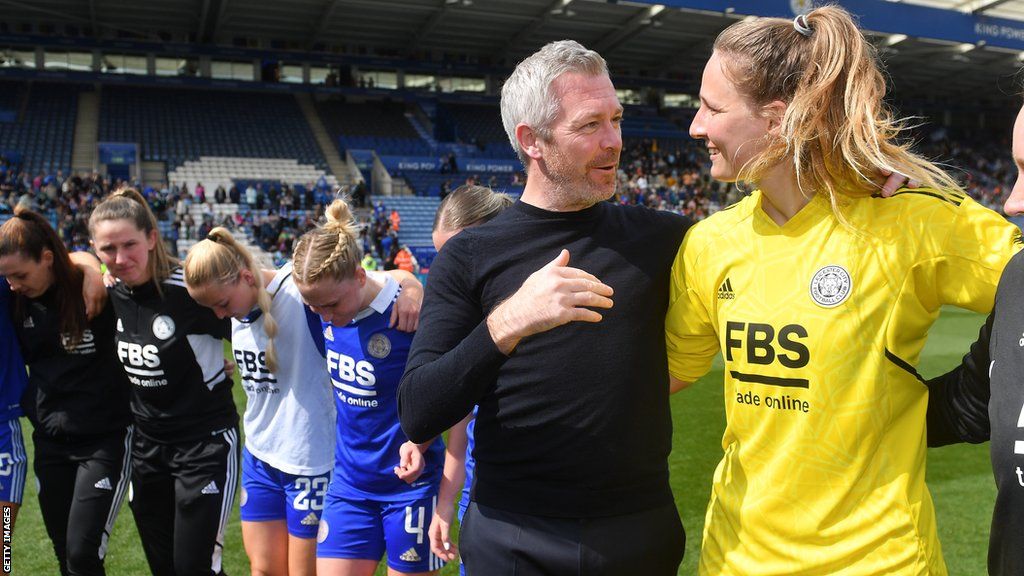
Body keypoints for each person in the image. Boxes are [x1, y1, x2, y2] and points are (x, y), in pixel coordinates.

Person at [664, 7, 1022, 574]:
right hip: (735, 558)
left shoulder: (910, 222)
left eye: (711, 108)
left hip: (879, 560)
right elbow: (668, 374)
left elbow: (1020, 280)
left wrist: (974, 395)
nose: (695, 127)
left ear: (778, 119)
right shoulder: (710, 243)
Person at [397, 40, 689, 575]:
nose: (615, 141)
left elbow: (771, 234)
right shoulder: (469, 255)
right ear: (532, 140)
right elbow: (419, 409)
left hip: (637, 530)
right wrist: (511, 320)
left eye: (617, 119)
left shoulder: (666, 239)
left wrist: (878, 184)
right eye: (589, 126)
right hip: (513, 537)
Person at [182, 226, 424, 576]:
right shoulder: (237, 310)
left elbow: (389, 279)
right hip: (260, 456)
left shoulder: (298, 290)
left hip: (310, 462)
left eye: (221, 304)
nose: (219, 315)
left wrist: (412, 290)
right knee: (263, 569)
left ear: (247, 277)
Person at [89, 188, 239, 576]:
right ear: (94, 248)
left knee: (196, 568)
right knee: (164, 567)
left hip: (203, 446)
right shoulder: (109, 290)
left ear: (152, 238)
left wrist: (403, 287)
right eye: (108, 249)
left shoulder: (188, 290)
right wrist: (93, 270)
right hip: (147, 450)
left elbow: (260, 307)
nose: (120, 259)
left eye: (130, 245)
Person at [291, 198, 445, 576]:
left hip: (410, 485)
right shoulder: (321, 299)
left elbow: (444, 395)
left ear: (360, 276)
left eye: (330, 304)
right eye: (314, 307)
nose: (324, 316)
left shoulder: (405, 313)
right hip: (348, 484)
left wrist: (411, 286)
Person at [0, 207, 132, 576]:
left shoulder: (94, 292)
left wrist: (91, 268)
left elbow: (145, 325)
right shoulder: (16, 297)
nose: (13, 284)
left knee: (81, 552)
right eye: (7, 277)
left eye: (20, 275)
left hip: (103, 440)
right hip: (50, 442)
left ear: (46, 259)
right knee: (66, 555)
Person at [422, 185, 513, 571]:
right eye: (443, 260)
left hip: (546, 508)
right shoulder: (462, 319)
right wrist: (445, 506)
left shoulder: (548, 306)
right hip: (480, 504)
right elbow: (461, 431)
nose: (449, 273)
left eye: (458, 256)